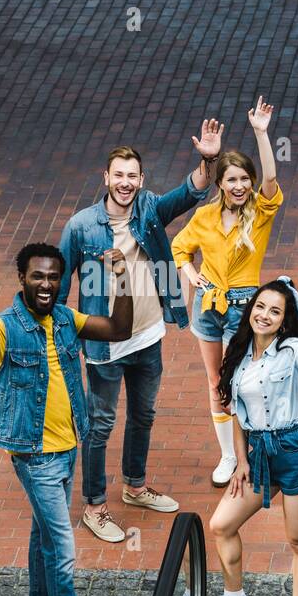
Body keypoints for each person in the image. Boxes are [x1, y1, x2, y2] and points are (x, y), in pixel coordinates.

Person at [0, 243, 133, 596]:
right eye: (37, 276)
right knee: (62, 545)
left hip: (68, 445)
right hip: (34, 455)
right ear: (22, 278)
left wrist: (124, 280)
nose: (46, 284)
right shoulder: (5, 326)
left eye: (54, 277)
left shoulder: (64, 319)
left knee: (43, 531)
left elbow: (118, 329)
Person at [58, 130, 219, 542]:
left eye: (133, 175)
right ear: (106, 178)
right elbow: (58, 291)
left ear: (142, 180)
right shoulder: (81, 227)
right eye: (119, 175)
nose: (126, 182)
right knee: (100, 426)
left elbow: (188, 194)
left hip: (147, 335)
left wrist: (209, 161)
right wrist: (59, 343)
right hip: (104, 346)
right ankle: (95, 507)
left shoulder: (148, 210)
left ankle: (134, 486)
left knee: (144, 416)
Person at [179, 277, 298, 596]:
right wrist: (240, 461)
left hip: (297, 451)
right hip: (258, 455)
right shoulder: (239, 352)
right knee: (221, 524)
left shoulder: (293, 348)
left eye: (275, 311)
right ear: (251, 311)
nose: (265, 315)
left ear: (284, 320)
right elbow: (236, 414)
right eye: (261, 307)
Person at [171, 96, 284, 486]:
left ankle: (252, 451)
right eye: (231, 179)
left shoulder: (260, 213)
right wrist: (189, 271)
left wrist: (260, 133)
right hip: (207, 305)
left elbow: (271, 180)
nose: (239, 186)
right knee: (217, 383)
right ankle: (226, 457)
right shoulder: (203, 216)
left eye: (244, 179)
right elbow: (179, 247)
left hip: (244, 309)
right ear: (220, 184)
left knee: (249, 381)